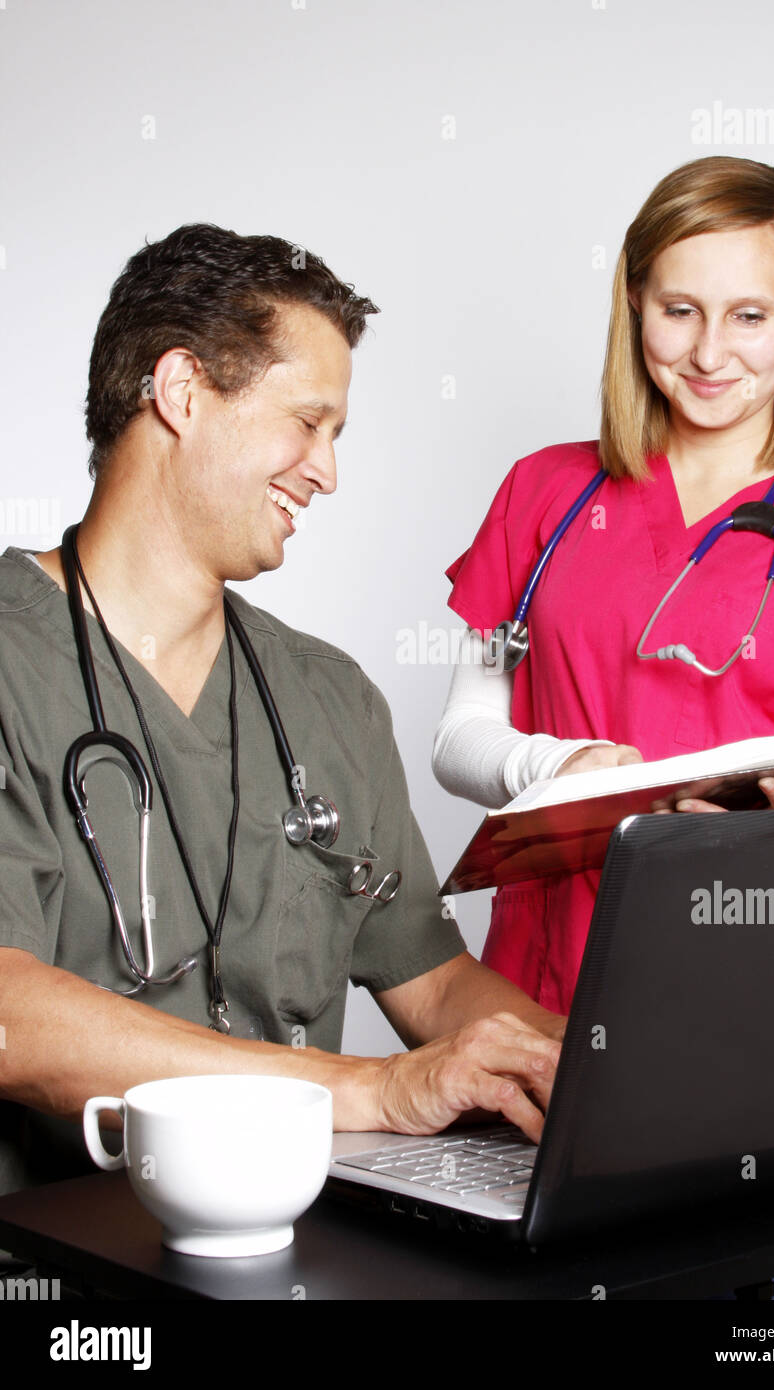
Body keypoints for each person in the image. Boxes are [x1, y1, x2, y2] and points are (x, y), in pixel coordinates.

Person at [0, 223, 565, 1211]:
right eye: (309, 422)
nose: (326, 471)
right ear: (181, 393)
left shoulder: (330, 699)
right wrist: (373, 1090)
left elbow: (429, 979)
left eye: (336, 434)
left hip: (302, 1256)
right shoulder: (16, 662)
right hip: (61, 1269)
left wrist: (578, 1064)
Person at [432, 156, 774, 1298]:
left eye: (749, 314)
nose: (708, 352)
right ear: (631, 301)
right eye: (676, 310)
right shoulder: (547, 497)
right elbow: (461, 737)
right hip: (558, 1015)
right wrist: (557, 760)